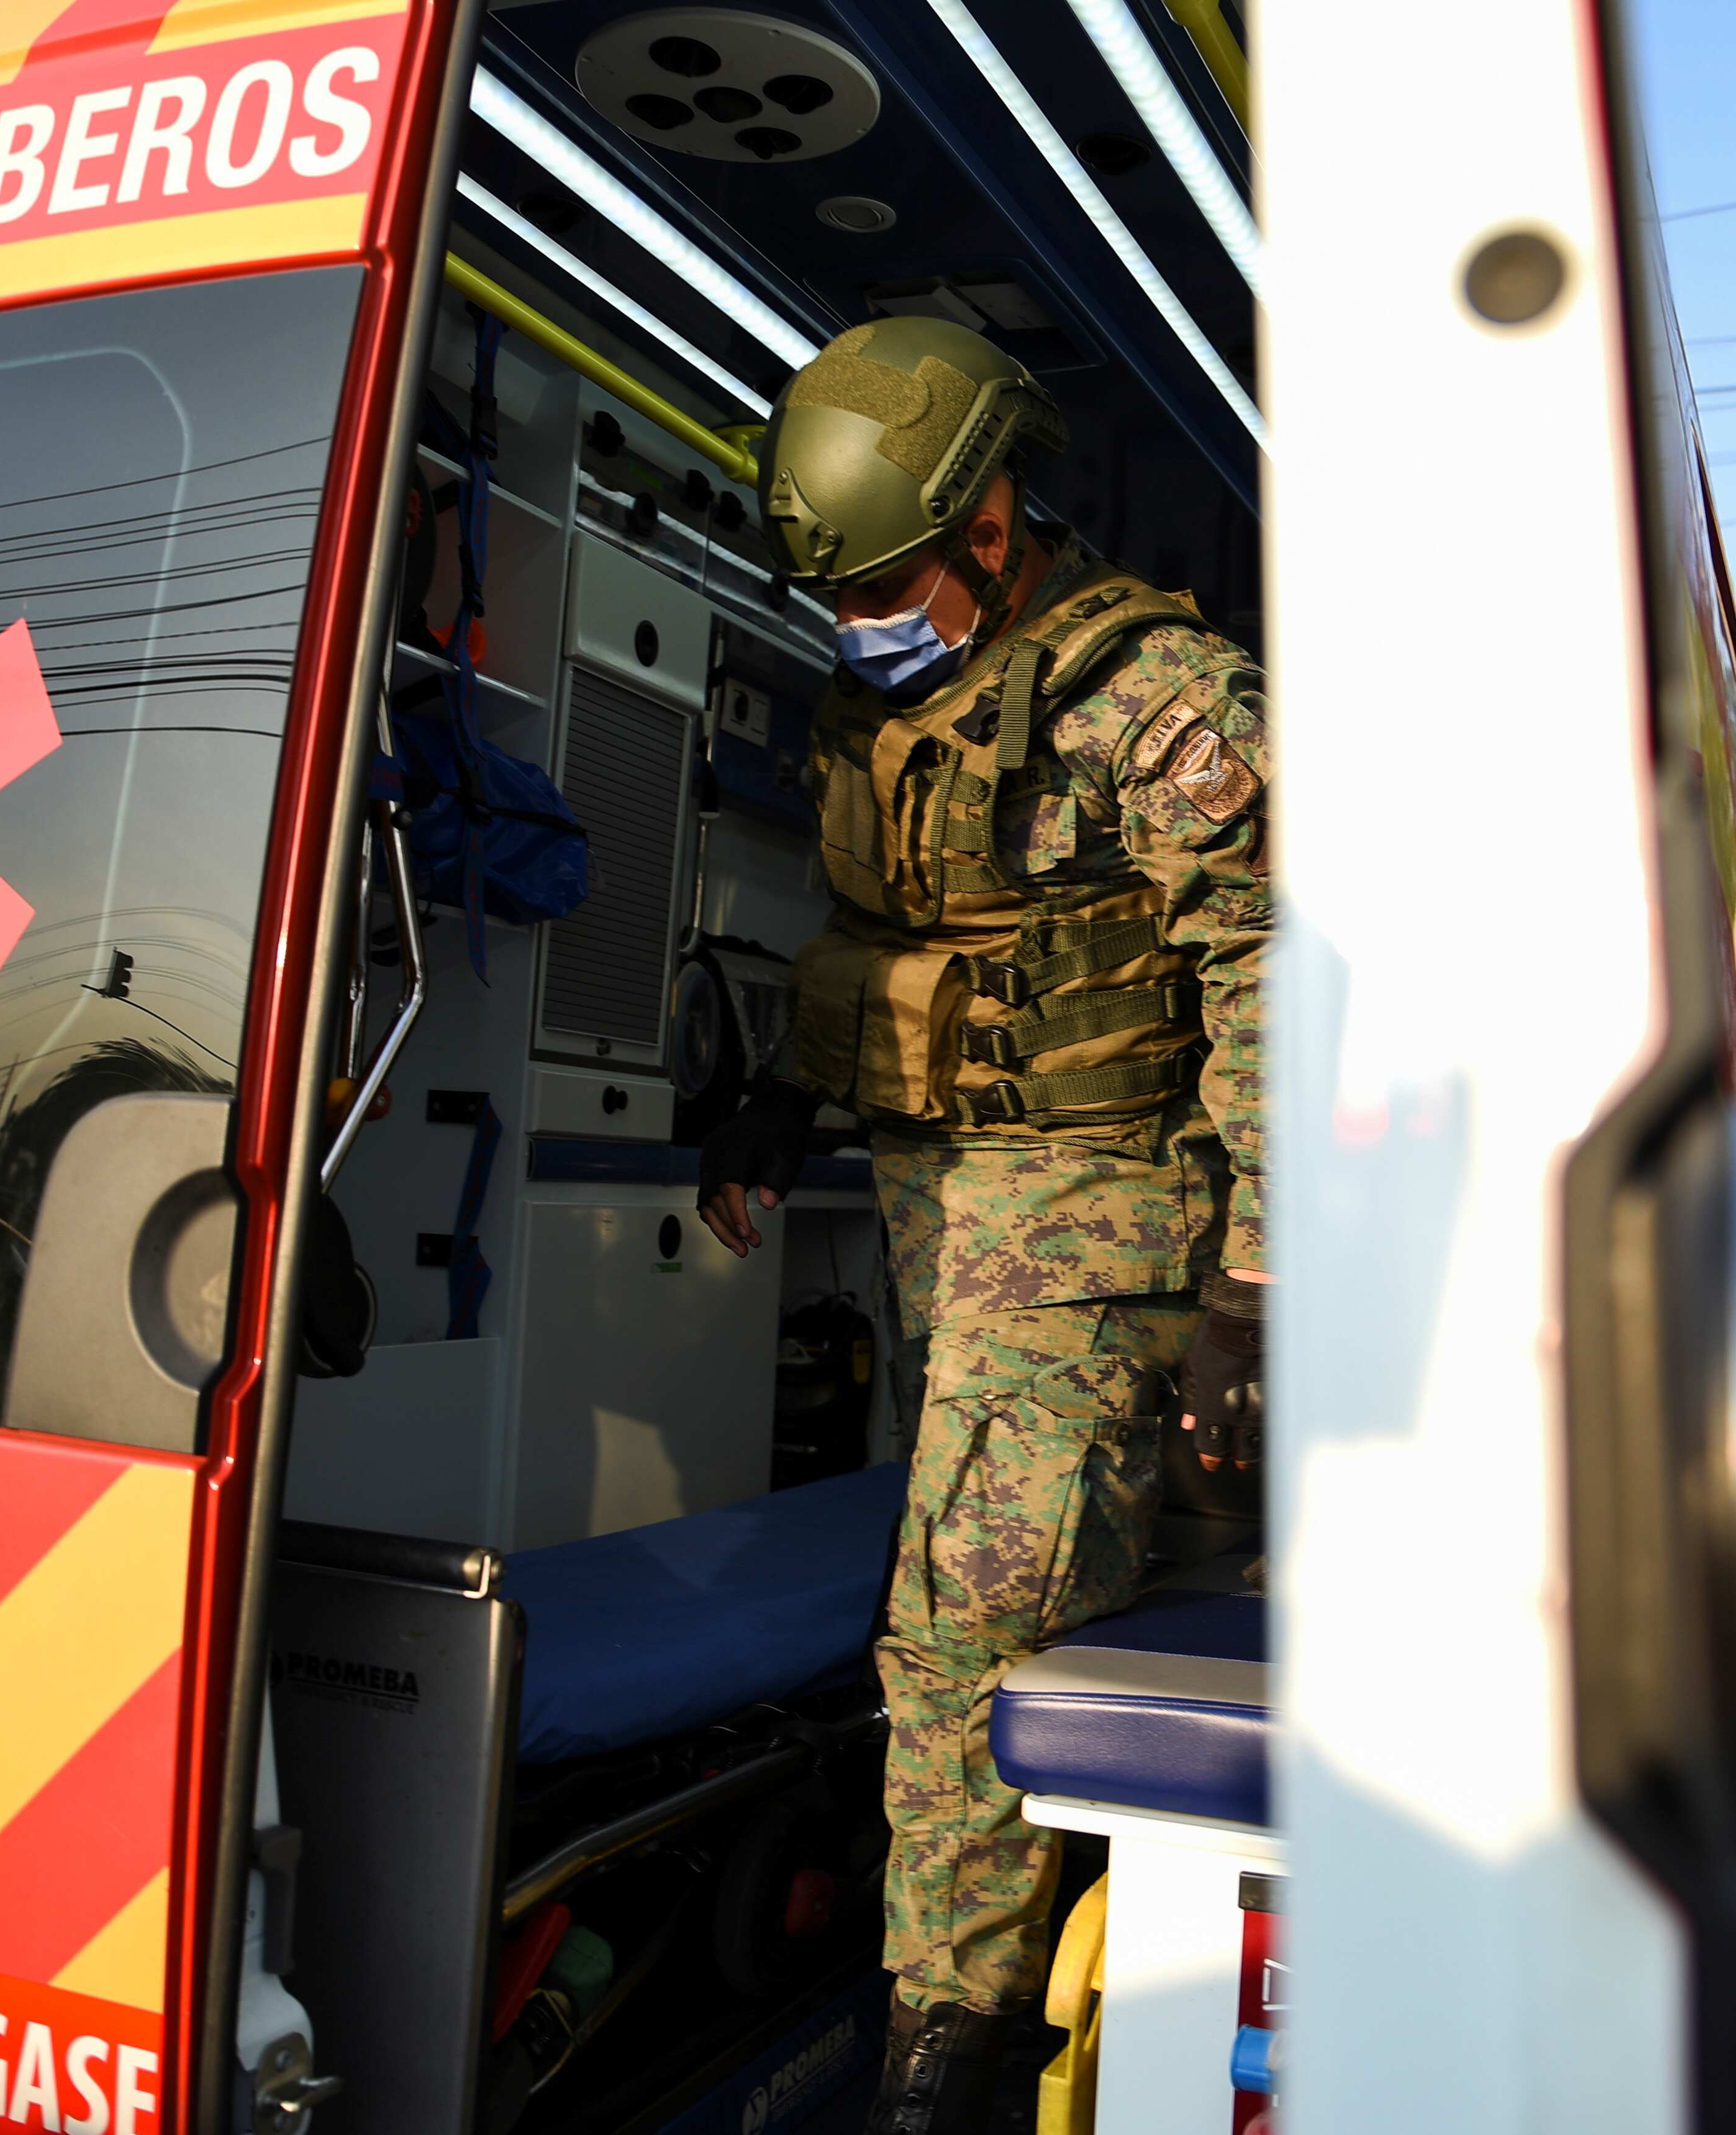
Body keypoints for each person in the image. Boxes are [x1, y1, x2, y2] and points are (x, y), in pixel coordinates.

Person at [694, 315, 1271, 2135]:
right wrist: (784, 1105)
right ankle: (1090, 1943)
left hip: (1099, 1215)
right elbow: (888, 943)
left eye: (886, 581)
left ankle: (948, 2051)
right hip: (940, 1208)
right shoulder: (898, 697)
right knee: (1040, 1583)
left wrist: (1259, 1275)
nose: (863, 618)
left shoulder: (1155, 693)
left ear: (997, 523)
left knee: (959, 1630)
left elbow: (1288, 970)